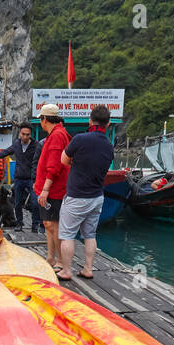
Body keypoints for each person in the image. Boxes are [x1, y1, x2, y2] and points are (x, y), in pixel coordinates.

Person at [56, 105, 114, 281]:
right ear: (108, 123)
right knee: (90, 235)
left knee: (67, 235)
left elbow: (63, 160)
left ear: (90, 120)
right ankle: (88, 268)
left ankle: (66, 270)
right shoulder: (109, 145)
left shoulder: (80, 139)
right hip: (97, 197)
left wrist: (76, 163)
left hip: (76, 196)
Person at [33, 103, 71, 270]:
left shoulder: (57, 136)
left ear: (45, 119)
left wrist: (45, 189)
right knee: (48, 224)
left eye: (41, 119)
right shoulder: (55, 134)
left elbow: (54, 166)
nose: (40, 123)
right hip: (49, 189)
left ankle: (61, 261)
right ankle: (50, 257)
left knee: (53, 225)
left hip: (54, 190)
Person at [0, 124, 41, 230]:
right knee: (17, 203)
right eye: (23, 134)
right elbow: (6, 151)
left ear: (30, 135)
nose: (24, 137)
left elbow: (42, 160)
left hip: (31, 179)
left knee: (34, 202)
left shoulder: (36, 146)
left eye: (27, 135)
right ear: (20, 133)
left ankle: (35, 224)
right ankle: (19, 224)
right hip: (19, 178)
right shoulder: (16, 144)